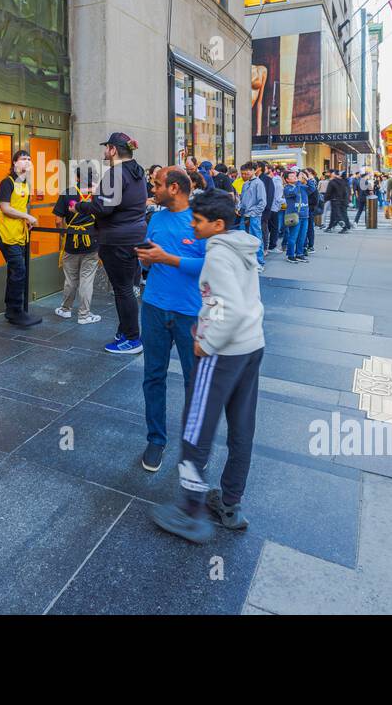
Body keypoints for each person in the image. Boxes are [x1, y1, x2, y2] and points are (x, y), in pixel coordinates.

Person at [150, 189, 264, 544]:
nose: (193, 226)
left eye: (198, 222)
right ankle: (230, 504)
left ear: (217, 224)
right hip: (252, 346)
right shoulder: (241, 246)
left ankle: (190, 510)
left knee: (196, 430)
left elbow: (228, 308)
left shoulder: (217, 257)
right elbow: (239, 303)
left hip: (223, 354)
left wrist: (206, 342)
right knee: (241, 429)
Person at [134, 168, 207, 472]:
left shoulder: (200, 220)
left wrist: (169, 259)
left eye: (157, 185)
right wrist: (146, 257)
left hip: (189, 313)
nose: (152, 188)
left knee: (195, 381)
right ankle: (156, 439)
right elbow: (150, 253)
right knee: (153, 376)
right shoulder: (157, 217)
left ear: (174, 188)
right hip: (152, 307)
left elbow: (210, 264)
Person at [71, 132, 148, 354]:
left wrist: (80, 206)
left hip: (117, 240)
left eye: (106, 147)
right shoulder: (136, 171)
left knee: (123, 290)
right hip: (132, 236)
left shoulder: (115, 173)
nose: (104, 151)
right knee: (126, 288)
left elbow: (103, 208)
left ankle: (132, 339)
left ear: (113, 149)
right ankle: (125, 330)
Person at [0, 149, 43, 328]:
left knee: (16, 271)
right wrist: (28, 217)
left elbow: (20, 206)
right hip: (5, 232)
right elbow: (5, 208)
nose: (27, 161)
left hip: (18, 232)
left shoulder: (25, 182)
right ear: (14, 163)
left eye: (29, 158)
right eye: (23, 159)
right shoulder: (7, 182)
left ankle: (12, 310)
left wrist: (25, 219)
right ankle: (15, 311)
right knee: (19, 270)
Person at [52, 161, 102, 325]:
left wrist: (63, 236)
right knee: (86, 279)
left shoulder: (67, 193)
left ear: (77, 177)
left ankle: (65, 309)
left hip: (71, 241)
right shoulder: (98, 194)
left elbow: (58, 221)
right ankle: (84, 315)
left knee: (70, 278)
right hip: (92, 241)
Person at [236, 162, 267, 271]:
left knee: (256, 238)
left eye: (246, 173)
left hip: (253, 216)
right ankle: (247, 262)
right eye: (242, 174)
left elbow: (262, 202)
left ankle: (259, 263)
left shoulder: (258, 183)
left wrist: (253, 213)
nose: (244, 175)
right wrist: (240, 209)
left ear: (254, 171)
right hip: (244, 215)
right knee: (243, 240)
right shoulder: (245, 184)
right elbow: (243, 200)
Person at [280, 169, 308, 262]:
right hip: (293, 216)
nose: (295, 177)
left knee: (302, 236)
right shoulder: (287, 188)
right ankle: (290, 255)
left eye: (295, 175)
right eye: (291, 176)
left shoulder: (300, 186)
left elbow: (312, 189)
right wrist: (299, 182)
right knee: (293, 236)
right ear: (287, 180)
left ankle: (299, 254)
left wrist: (309, 179)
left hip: (304, 215)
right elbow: (295, 192)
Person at [259, 163, 279, 253]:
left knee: (264, 229)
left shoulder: (267, 179)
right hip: (256, 210)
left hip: (265, 209)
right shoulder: (253, 179)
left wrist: (267, 209)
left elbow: (270, 196)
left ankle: (265, 248)